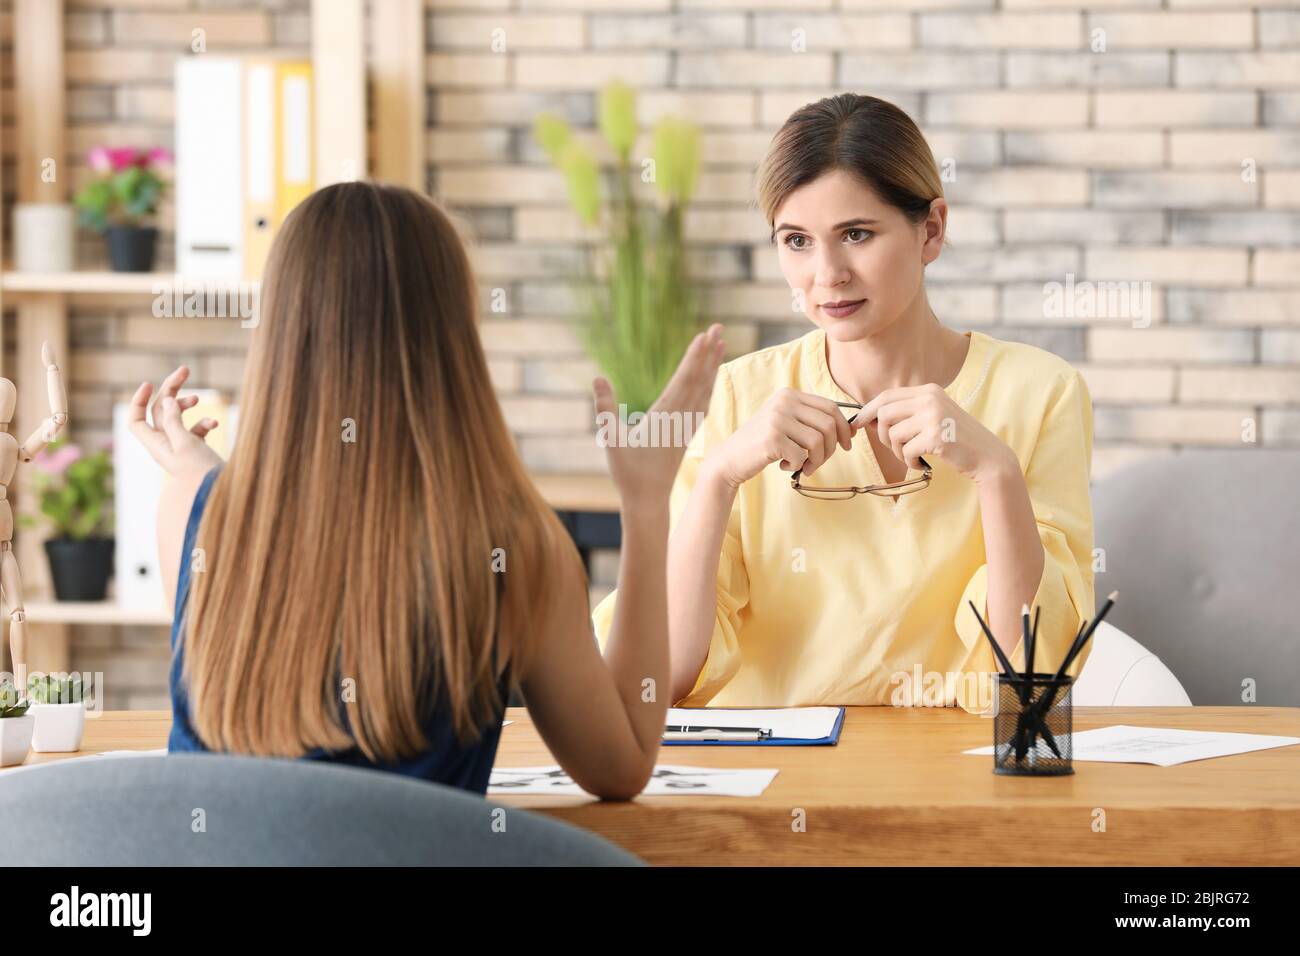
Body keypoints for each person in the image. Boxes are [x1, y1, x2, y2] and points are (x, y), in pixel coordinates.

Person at [129, 180, 726, 797]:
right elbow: (621, 766)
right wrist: (646, 504)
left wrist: (202, 476)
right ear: (453, 341)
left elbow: (275, 545)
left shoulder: (191, 511)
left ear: (277, 329)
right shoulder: (516, 545)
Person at [592, 93, 1096, 712]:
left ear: (931, 229)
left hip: (944, 780)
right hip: (764, 779)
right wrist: (720, 476)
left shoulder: (1040, 393)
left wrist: (996, 473)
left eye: (856, 234)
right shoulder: (739, 395)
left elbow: (1027, 678)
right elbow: (657, 680)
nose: (826, 274)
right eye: (796, 240)